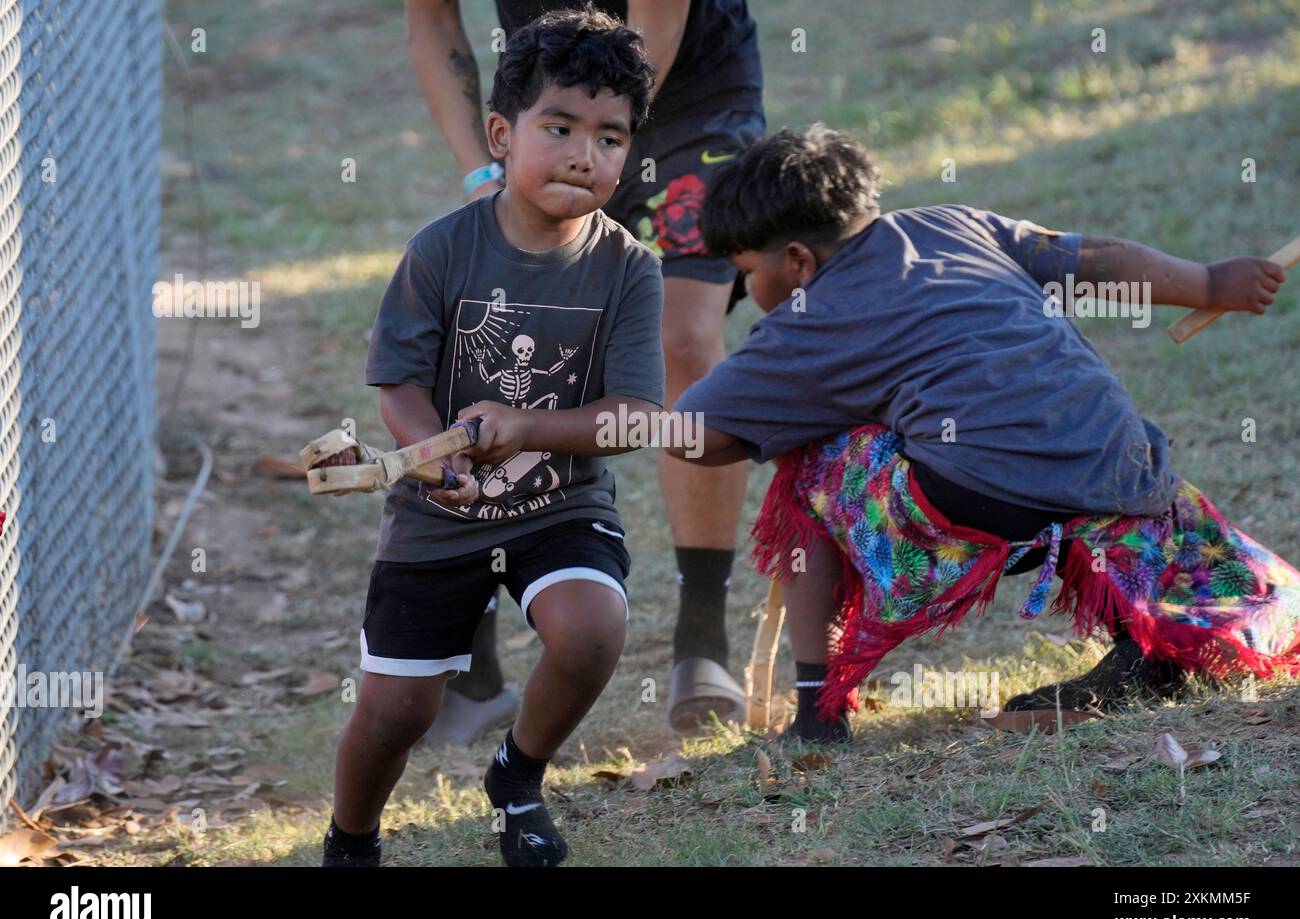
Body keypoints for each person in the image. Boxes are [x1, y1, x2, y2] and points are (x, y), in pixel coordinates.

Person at [666, 123, 1300, 743]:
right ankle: (1153, 643)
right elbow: (1095, 262)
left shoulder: (800, 328)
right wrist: (1211, 282)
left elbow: (692, 436)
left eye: (748, 274)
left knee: (809, 463)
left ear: (797, 261)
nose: (749, 293)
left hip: (981, 505)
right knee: (1091, 453)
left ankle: (817, 712)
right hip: (1122, 474)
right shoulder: (952, 224)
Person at [321, 8, 663, 866]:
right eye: (560, 127)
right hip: (438, 516)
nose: (586, 154)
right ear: (502, 135)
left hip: (559, 505)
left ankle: (516, 778)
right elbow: (396, 380)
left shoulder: (630, 269)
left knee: (591, 628)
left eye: (611, 137)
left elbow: (634, 417)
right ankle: (351, 840)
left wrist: (528, 428)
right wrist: (435, 459)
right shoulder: (440, 252)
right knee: (396, 710)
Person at [404, 0, 767, 735]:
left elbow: (655, 20)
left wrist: (592, 157)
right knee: (496, 335)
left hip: (691, 93)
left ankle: (701, 636)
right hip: (546, 97)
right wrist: (486, 172)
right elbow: (432, 19)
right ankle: (467, 653)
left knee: (683, 339)